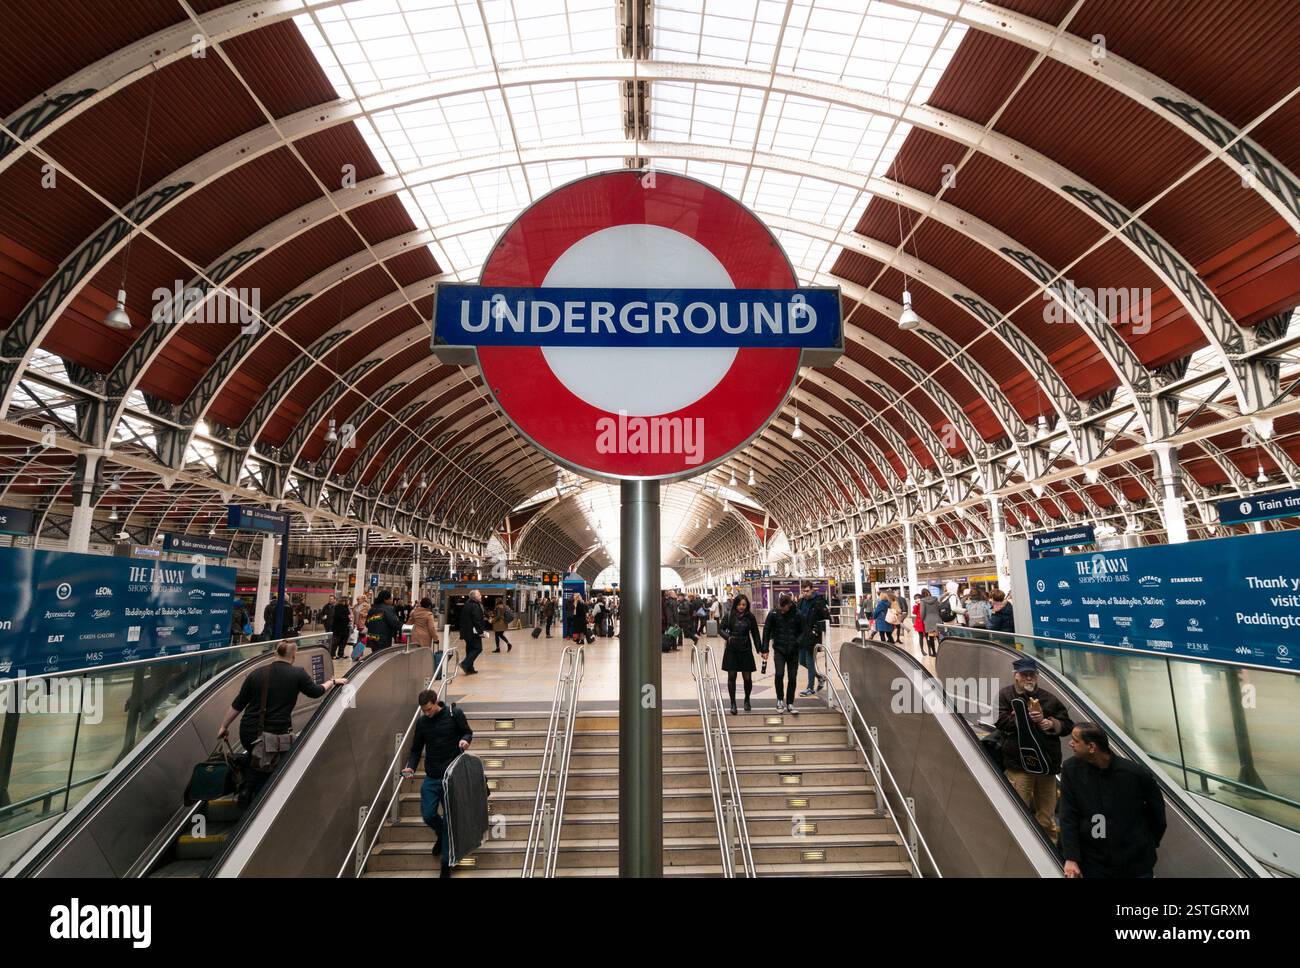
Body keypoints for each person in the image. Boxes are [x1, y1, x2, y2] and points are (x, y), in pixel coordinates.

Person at [218, 637, 342, 807]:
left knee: (257, 757)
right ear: (294, 654)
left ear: (275, 653)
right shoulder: (297, 673)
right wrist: (333, 681)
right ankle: (257, 800)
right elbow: (316, 692)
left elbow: (238, 704)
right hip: (274, 735)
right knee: (270, 764)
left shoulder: (256, 673)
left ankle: (247, 787)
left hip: (249, 732)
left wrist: (224, 726)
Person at [1060, 722, 1167, 878]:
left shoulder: (1135, 774)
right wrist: (1071, 857)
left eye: (1075, 740)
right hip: (1094, 863)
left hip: (1135, 863)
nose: (1070, 743)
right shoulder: (1071, 770)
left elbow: (1157, 813)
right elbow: (1068, 815)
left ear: (1092, 747)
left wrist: (1148, 843)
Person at [995, 657, 1074, 844]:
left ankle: (1049, 850)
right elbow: (999, 722)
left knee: (1046, 815)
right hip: (1019, 764)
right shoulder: (1006, 696)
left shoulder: (1049, 699)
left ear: (1037, 677)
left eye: (1032, 675)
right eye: (1024, 675)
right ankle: (1019, 846)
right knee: (1018, 810)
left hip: (1047, 765)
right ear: (1016, 676)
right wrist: (1021, 718)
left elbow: (1068, 725)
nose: (1028, 678)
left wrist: (1049, 723)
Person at [400, 689, 473, 878]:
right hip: (432, 777)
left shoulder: (454, 714)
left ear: (436, 702)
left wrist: (465, 741)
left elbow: (467, 732)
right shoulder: (423, 723)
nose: (427, 713)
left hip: (452, 777)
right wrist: (410, 767)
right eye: (424, 710)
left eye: (429, 709)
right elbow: (416, 749)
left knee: (449, 820)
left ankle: (445, 863)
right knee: (428, 814)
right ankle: (442, 835)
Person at [762, 591, 806, 715]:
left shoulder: (798, 614)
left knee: (792, 677)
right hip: (779, 650)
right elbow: (766, 630)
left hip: (793, 651)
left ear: (789, 605)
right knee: (779, 674)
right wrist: (765, 648)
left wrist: (797, 642)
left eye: (784, 608)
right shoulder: (774, 613)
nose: (782, 610)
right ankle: (780, 700)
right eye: (780, 607)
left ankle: (790, 702)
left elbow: (804, 631)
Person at [720, 593, 762, 714]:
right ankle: (733, 703)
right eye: (739, 604)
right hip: (732, 650)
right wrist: (728, 637)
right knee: (731, 677)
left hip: (745, 649)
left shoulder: (750, 617)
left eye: (744, 604)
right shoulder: (729, 616)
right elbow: (720, 628)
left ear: (747, 605)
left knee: (747, 678)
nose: (741, 607)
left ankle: (747, 699)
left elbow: (755, 633)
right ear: (736, 604)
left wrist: (760, 649)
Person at [796, 583, 829, 698]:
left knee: (809, 661)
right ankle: (820, 677)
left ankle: (810, 687)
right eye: (803, 591)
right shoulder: (800, 602)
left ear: (812, 590)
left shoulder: (819, 602)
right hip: (801, 635)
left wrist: (818, 631)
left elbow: (826, 619)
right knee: (802, 661)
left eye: (807, 591)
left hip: (812, 635)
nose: (805, 593)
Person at [364, 588, 402, 657]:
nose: (392, 600)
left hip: (372, 638)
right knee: (382, 657)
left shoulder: (372, 609)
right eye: (390, 599)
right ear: (385, 600)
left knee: (375, 656)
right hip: (383, 639)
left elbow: (367, 623)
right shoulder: (389, 609)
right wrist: (402, 626)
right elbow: (394, 623)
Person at [458, 589, 485, 674]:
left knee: (470, 649)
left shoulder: (467, 604)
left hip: (466, 632)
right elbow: (476, 620)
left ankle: (469, 668)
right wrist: (480, 632)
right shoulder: (475, 606)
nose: (481, 596)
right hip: (473, 632)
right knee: (478, 648)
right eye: (479, 595)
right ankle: (465, 664)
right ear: (475, 597)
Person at [919, 589, 943, 656]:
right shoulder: (935, 599)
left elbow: (922, 612)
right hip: (937, 619)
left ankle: (934, 652)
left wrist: (923, 619)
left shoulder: (922, 601)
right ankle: (942, 652)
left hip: (928, 621)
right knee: (939, 637)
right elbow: (939, 608)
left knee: (931, 637)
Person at [330, 595, 352, 659]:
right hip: (338, 628)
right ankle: (332, 654)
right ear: (344, 601)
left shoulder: (347, 607)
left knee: (343, 641)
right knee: (336, 642)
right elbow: (337, 616)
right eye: (348, 600)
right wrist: (347, 617)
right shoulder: (338, 607)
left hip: (345, 627)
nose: (349, 601)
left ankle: (341, 654)